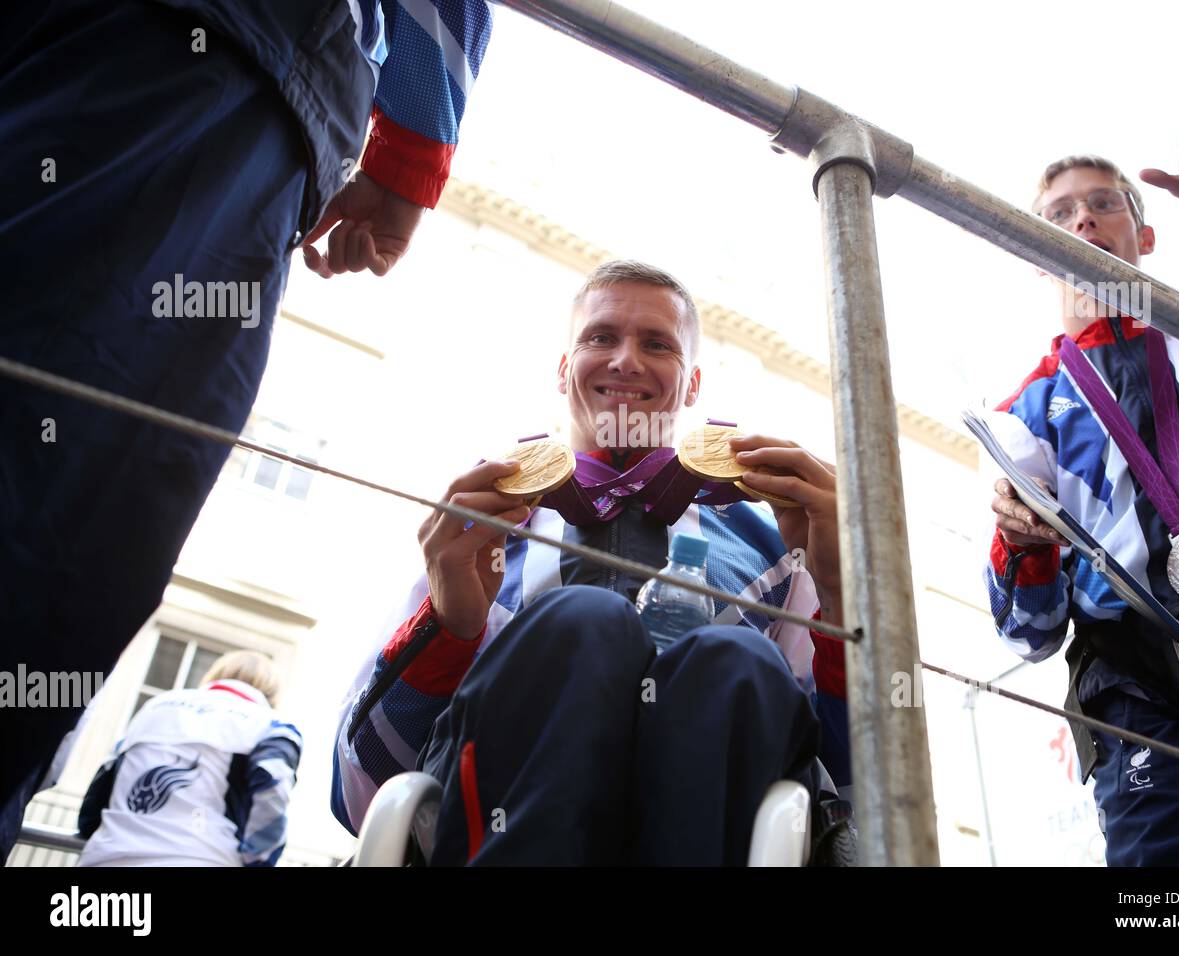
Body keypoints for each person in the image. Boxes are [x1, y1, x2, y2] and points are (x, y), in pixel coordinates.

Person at [0, 0, 492, 855]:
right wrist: (411, 152)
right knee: (66, 532)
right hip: (213, 56)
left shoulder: (168, 713)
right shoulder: (265, 731)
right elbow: (265, 820)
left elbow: (106, 793)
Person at [332, 260, 851, 865]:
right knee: (582, 622)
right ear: (563, 370)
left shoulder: (779, 547)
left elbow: (848, 792)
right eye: (600, 337)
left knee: (735, 661)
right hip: (496, 823)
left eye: (657, 344)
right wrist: (449, 632)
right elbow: (361, 794)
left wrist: (841, 594)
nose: (626, 360)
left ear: (692, 385)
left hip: (720, 822)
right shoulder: (477, 531)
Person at [984, 124, 1179, 865]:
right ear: (1035, 253)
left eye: (1102, 203)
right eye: (1058, 215)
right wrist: (1023, 550)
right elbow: (1025, 638)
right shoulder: (1020, 421)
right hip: (1149, 697)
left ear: (1145, 233)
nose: (1083, 220)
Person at [76, 651, 301, 867]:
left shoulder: (155, 706)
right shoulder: (271, 726)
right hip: (201, 857)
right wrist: (259, 861)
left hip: (107, 857)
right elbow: (272, 797)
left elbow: (100, 790)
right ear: (272, 692)